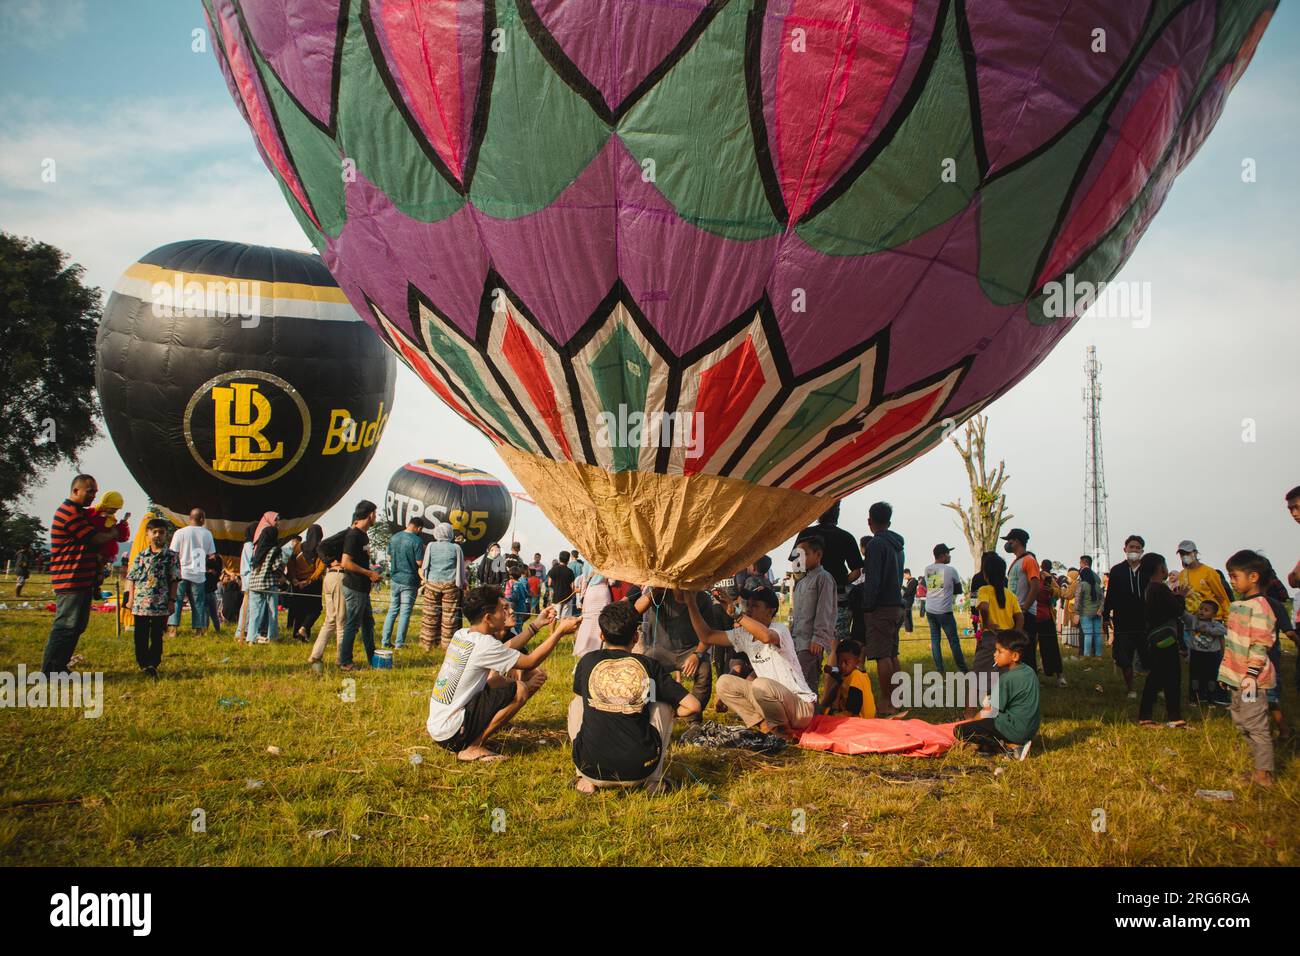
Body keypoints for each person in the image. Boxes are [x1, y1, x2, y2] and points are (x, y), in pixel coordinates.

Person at [426, 586, 575, 762]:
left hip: (439, 727)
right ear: (488, 618)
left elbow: (505, 648)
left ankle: (472, 737)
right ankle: (473, 746)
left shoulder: (462, 634)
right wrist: (559, 632)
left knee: (499, 681)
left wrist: (536, 625)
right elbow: (531, 661)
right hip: (451, 732)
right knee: (519, 689)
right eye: (502, 609)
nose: (507, 612)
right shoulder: (485, 644)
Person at [569, 599, 701, 794]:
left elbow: (582, 703)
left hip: (591, 768)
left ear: (601, 635)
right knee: (663, 706)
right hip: (640, 771)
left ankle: (584, 780)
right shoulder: (649, 665)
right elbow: (693, 706)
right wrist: (670, 712)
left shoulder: (587, 661)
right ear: (636, 636)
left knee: (578, 703)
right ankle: (654, 783)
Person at [686, 585, 817, 735]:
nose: (749, 609)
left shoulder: (779, 629)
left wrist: (737, 614)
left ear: (771, 610)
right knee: (724, 683)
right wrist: (691, 603)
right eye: (748, 605)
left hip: (800, 708)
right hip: (771, 702)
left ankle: (783, 731)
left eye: (755, 606)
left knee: (760, 684)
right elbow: (707, 636)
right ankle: (764, 726)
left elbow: (766, 636)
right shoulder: (744, 635)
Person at [42, 475, 118, 674]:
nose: (94, 495)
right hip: (70, 578)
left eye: (95, 491)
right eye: (89, 491)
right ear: (76, 490)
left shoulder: (80, 513)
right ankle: (51, 669)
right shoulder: (69, 514)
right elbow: (96, 539)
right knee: (66, 625)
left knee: (77, 625)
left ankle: (59, 666)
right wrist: (114, 533)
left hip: (82, 578)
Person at [1218, 550, 1278, 787]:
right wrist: (1226, 674)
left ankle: (1264, 773)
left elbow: (1260, 644)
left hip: (1251, 681)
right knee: (1242, 723)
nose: (1231, 580)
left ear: (1253, 577)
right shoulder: (1237, 606)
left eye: (1234, 576)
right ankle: (1259, 768)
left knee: (1256, 725)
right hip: (1236, 679)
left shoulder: (1261, 608)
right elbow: (1232, 645)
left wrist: (1251, 674)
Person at [632, 587, 725, 715]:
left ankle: (693, 717)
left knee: (704, 670)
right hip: (660, 650)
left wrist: (697, 654)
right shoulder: (659, 592)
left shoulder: (702, 597)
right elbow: (635, 610)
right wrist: (654, 592)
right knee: (645, 667)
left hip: (690, 649)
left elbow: (709, 634)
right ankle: (649, 710)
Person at [954, 630, 1040, 757]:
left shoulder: (1007, 679)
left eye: (999, 651)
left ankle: (1010, 746)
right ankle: (1000, 744)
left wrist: (972, 724)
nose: (994, 655)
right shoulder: (1029, 671)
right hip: (1030, 729)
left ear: (1015, 656)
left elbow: (988, 712)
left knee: (960, 730)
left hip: (1014, 730)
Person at [857, 501, 906, 715]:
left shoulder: (876, 545)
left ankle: (887, 702)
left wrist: (867, 607)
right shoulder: (897, 545)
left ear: (870, 521)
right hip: (896, 604)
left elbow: (873, 580)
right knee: (892, 654)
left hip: (881, 607)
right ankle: (898, 699)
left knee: (881, 656)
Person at [797, 502, 863, 646]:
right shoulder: (846, 537)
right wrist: (841, 582)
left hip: (808, 593)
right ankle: (836, 667)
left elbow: (797, 567)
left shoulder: (806, 534)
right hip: (837, 596)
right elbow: (857, 571)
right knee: (837, 639)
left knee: (805, 637)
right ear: (837, 512)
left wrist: (805, 582)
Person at [123, 518, 181, 678]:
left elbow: (175, 580)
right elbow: (132, 578)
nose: (157, 535)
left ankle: (153, 663)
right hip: (140, 603)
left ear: (166, 535)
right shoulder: (141, 556)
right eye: (154, 532)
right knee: (140, 635)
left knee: (156, 635)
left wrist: (172, 601)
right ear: (147, 534)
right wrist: (130, 599)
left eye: (161, 532)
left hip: (160, 603)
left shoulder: (171, 556)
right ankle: (143, 663)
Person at [1136, 552, 1186, 728]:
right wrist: (1180, 597)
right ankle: (1173, 717)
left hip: (1155, 638)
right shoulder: (1159, 588)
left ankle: (1149, 716)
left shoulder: (1150, 588)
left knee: (1157, 677)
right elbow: (1176, 610)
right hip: (1165, 639)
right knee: (1170, 678)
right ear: (1160, 567)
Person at [788, 535, 837, 699]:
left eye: (805, 554)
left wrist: (819, 637)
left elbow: (825, 610)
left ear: (818, 555)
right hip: (797, 641)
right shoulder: (802, 581)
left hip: (810, 643)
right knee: (796, 682)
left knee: (808, 685)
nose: (801, 558)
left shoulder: (823, 578)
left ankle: (813, 719)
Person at [1103, 534, 1148, 699]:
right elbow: (1110, 595)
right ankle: (1131, 689)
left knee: (1148, 656)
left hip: (1144, 620)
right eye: (1132, 547)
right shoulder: (1117, 570)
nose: (1134, 550)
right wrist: (1106, 615)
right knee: (1124, 657)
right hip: (1123, 620)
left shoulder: (1147, 569)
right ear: (1125, 549)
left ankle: (1156, 687)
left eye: (1138, 548)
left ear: (1142, 551)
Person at [339, 500, 381, 670]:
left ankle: (372, 658)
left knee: (368, 623)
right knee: (352, 624)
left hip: (363, 587)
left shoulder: (364, 535)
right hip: (354, 586)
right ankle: (345, 662)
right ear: (370, 514)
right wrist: (369, 573)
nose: (376, 517)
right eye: (375, 514)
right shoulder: (353, 535)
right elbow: (345, 562)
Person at [167, 508, 217, 638]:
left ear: (190, 518)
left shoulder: (180, 533)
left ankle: (173, 630)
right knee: (198, 602)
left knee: (176, 600)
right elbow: (212, 556)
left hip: (181, 572)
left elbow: (173, 554)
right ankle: (199, 631)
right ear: (202, 519)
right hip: (199, 573)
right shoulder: (207, 534)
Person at [418, 521, 466, 651]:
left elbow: (426, 565)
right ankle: (447, 645)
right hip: (450, 585)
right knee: (449, 617)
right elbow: (461, 569)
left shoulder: (431, 546)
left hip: (432, 584)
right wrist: (463, 584)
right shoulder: (456, 548)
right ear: (450, 533)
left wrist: (426, 580)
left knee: (430, 614)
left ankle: (427, 644)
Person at [974, 552, 1023, 675]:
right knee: (1004, 674)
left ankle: (985, 694)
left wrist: (986, 623)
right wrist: (1015, 634)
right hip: (1007, 639)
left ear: (985, 575)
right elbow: (1020, 617)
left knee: (981, 675)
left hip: (991, 637)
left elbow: (984, 607)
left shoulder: (984, 590)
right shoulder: (1011, 595)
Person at [1001, 529, 1042, 672]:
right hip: (1016, 613)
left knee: (1027, 653)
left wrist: (1025, 608)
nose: (1007, 544)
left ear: (1017, 541)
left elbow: (1035, 586)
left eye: (1009, 541)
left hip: (1026, 614)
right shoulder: (1017, 561)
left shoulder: (1029, 560)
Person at [923, 543, 968, 673]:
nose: (950, 556)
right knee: (953, 641)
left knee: (935, 639)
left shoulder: (928, 569)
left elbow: (930, 586)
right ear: (942, 556)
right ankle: (963, 669)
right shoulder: (951, 570)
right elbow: (958, 589)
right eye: (948, 554)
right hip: (944, 611)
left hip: (930, 609)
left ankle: (939, 668)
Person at [381, 516, 425, 650]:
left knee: (392, 610)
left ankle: (385, 641)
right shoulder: (417, 540)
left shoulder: (394, 537)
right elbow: (419, 563)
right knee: (405, 612)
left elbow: (389, 556)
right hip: (409, 580)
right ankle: (399, 644)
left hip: (395, 578)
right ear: (419, 528)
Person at [308, 527, 349, 666]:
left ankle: (315, 655)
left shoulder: (347, 536)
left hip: (330, 576)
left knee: (330, 620)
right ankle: (342, 659)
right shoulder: (349, 535)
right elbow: (321, 546)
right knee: (341, 621)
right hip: (338, 575)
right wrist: (331, 561)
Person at [245, 512, 286, 645]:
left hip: (254, 584)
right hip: (269, 584)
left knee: (254, 613)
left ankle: (251, 638)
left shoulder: (256, 549)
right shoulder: (275, 550)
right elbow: (276, 568)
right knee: (272, 612)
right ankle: (272, 636)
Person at [287, 525, 326, 642]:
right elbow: (320, 568)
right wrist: (309, 581)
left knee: (300, 609)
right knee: (315, 609)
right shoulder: (321, 548)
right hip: (313, 583)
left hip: (298, 583)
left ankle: (298, 635)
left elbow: (290, 564)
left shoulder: (298, 547)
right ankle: (304, 629)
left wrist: (294, 579)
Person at [820, 640, 876, 719]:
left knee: (828, 714)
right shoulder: (848, 672)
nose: (842, 665)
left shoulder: (856, 676)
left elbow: (855, 702)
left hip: (859, 717)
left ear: (857, 662)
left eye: (846, 662)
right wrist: (831, 670)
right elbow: (838, 671)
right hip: (855, 715)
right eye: (840, 662)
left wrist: (846, 714)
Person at [1187, 599, 1227, 706]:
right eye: (1200, 608)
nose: (1202, 611)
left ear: (1213, 614)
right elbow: (1183, 615)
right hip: (1196, 654)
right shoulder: (1193, 620)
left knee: (1211, 677)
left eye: (1206, 610)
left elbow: (1224, 631)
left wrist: (1208, 630)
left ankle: (1211, 699)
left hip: (1211, 655)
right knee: (1195, 677)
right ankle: (1194, 698)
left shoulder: (1216, 624)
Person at [1035, 559, 1065, 685]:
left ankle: (1060, 676)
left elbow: (1058, 592)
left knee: (1051, 648)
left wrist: (1051, 591)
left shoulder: (1045, 577)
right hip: (1030, 617)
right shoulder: (1024, 577)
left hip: (1046, 617)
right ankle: (1032, 677)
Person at [572, 569, 611, 657]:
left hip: (591, 592)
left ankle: (582, 650)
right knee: (601, 622)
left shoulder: (587, 563)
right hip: (603, 591)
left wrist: (582, 598)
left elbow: (584, 582)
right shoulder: (606, 563)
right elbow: (611, 582)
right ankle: (598, 649)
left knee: (586, 623)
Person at [1074, 556, 1104, 658]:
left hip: (1085, 613)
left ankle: (1086, 655)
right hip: (1097, 613)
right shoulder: (1097, 585)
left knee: (1088, 634)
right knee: (1098, 635)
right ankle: (1098, 654)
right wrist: (1100, 609)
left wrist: (1076, 612)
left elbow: (1077, 599)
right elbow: (1102, 599)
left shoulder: (1081, 585)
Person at [547, 551, 577, 617]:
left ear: (559, 558)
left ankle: (553, 628)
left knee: (553, 616)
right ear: (568, 560)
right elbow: (572, 586)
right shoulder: (570, 571)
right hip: (567, 597)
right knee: (565, 618)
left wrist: (556, 586)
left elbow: (549, 583)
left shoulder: (554, 569)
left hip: (556, 596)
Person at [901, 569, 918, 634]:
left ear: (907, 574)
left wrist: (902, 587)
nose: (904, 577)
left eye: (904, 576)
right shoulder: (909, 581)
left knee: (906, 615)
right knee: (907, 614)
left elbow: (909, 591)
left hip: (909, 600)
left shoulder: (913, 581)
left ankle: (908, 630)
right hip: (906, 600)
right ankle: (909, 629)